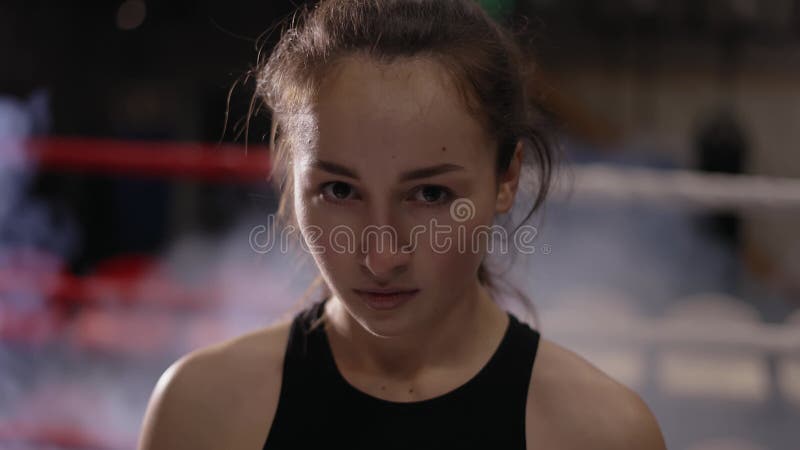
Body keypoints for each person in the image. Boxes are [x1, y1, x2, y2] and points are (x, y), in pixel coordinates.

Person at [137, 1, 667, 449]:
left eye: (431, 194)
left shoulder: (602, 434)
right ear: (290, 179)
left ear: (506, 178)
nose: (381, 257)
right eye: (339, 190)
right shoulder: (200, 412)